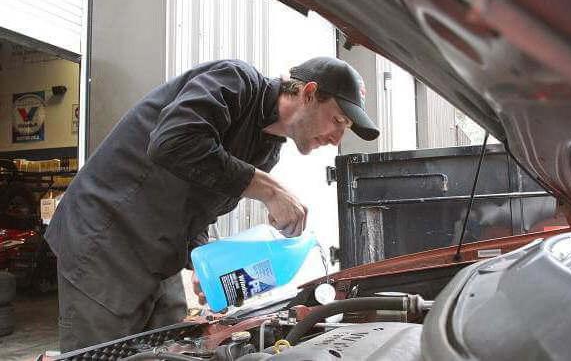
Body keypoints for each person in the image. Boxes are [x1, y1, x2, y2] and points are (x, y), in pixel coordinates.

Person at [45, 57, 379, 351]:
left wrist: (203, 258)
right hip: (105, 239)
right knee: (103, 351)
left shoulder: (267, 150)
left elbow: (199, 202)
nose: (337, 139)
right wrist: (270, 190)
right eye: (337, 121)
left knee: (173, 348)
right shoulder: (235, 81)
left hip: (156, 255)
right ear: (308, 93)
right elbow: (172, 142)